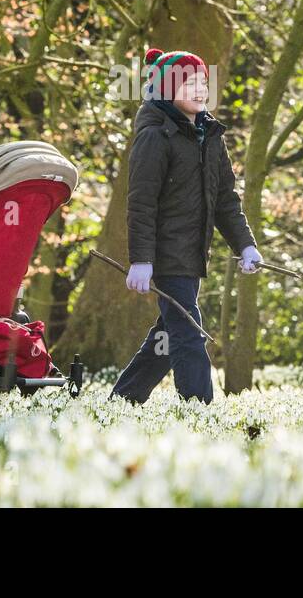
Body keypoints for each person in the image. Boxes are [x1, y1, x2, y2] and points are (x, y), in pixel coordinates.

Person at [109, 47, 263, 404]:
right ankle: (199, 412)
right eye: (189, 83)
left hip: (192, 254)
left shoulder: (210, 136)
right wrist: (142, 260)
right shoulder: (154, 136)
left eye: (203, 82)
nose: (199, 90)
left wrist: (246, 245)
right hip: (165, 256)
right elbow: (141, 203)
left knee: (169, 335)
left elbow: (226, 200)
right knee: (190, 333)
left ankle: (122, 401)